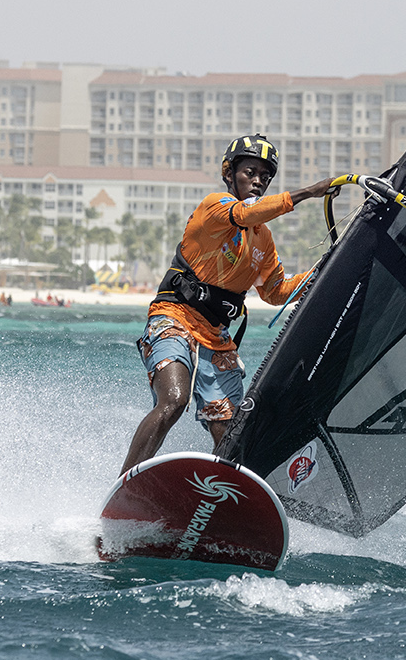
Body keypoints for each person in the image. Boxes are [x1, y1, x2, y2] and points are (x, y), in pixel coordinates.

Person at [120, 135, 334, 474]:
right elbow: (245, 212)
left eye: (265, 176)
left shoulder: (262, 237)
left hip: (217, 337)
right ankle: (125, 485)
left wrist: (323, 271)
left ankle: (222, 501)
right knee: (174, 401)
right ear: (229, 172)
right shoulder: (216, 207)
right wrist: (308, 192)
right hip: (174, 318)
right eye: (250, 172)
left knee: (230, 430)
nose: (258, 181)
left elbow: (275, 290)